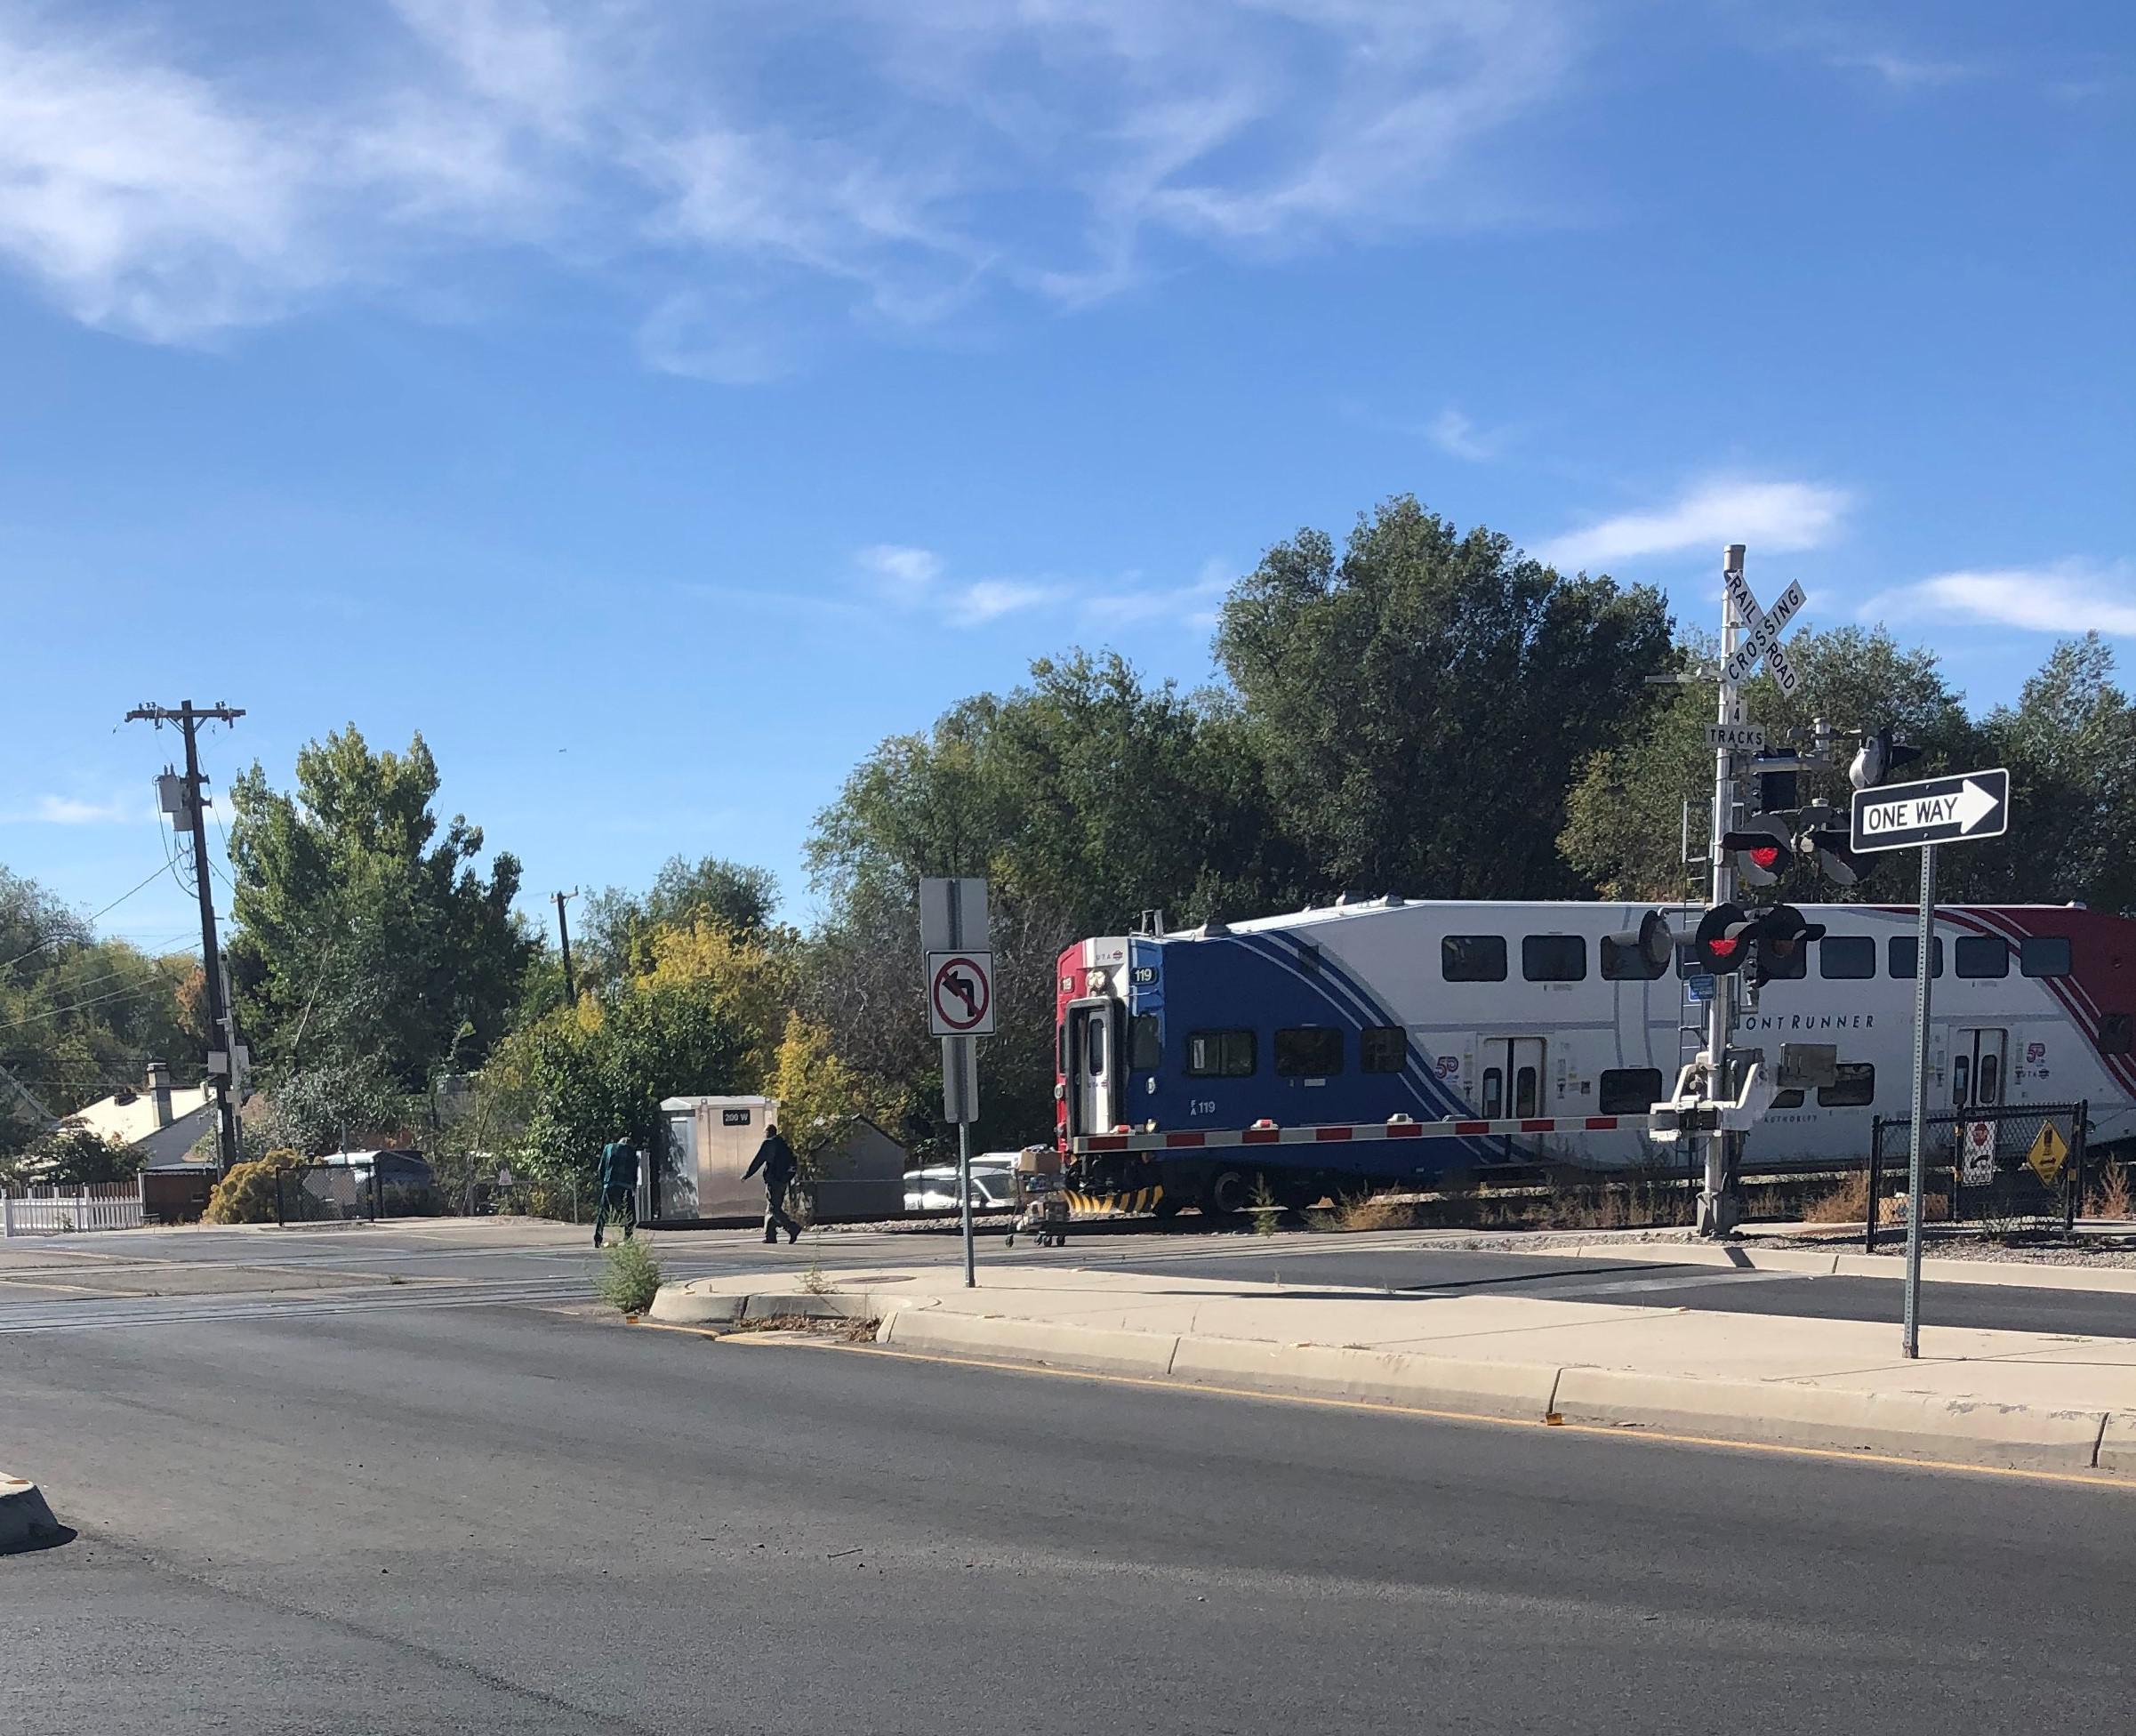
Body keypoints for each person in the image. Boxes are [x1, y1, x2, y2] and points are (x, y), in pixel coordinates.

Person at [744, 1122, 800, 1244]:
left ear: (768, 1133)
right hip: (783, 1180)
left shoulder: (769, 1144)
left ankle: (792, 1227)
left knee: (774, 1209)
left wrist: (748, 1174)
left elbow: (758, 1160)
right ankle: (770, 1236)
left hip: (774, 1180)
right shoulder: (782, 1144)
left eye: (764, 1133)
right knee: (772, 1208)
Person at [592, 1136, 638, 1248]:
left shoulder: (609, 1148)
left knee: (603, 1213)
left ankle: (598, 1239)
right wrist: (633, 1186)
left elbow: (601, 1168)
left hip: (610, 1184)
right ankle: (628, 1239)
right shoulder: (631, 1152)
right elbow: (634, 1170)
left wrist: (604, 1182)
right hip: (625, 1186)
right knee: (629, 1214)